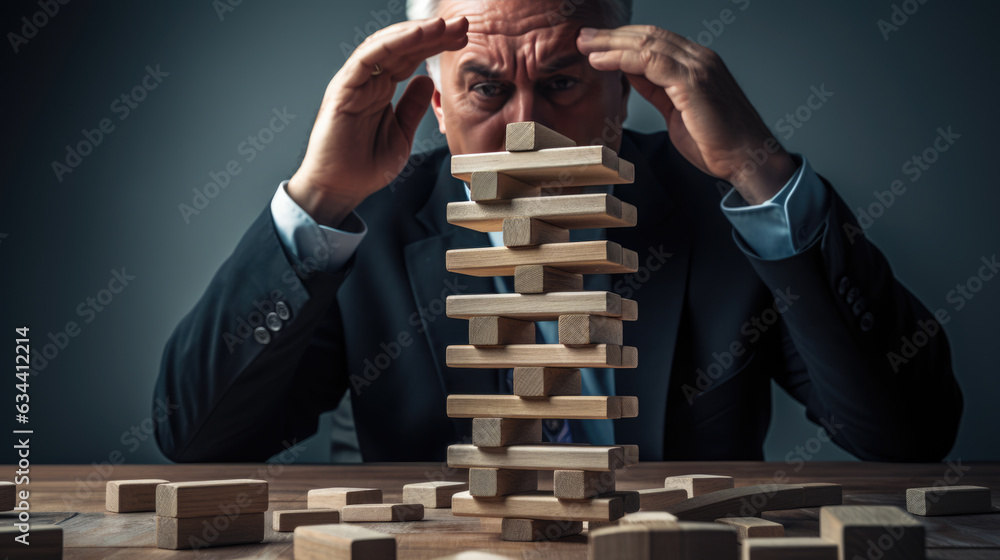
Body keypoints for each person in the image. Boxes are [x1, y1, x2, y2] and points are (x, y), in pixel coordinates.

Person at [154, 0, 962, 463]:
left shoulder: (724, 213)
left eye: (563, 84)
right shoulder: (368, 224)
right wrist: (319, 197)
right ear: (435, 104)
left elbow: (912, 434)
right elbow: (195, 439)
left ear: (624, 92)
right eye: (485, 89)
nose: (525, 130)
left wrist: (760, 171)